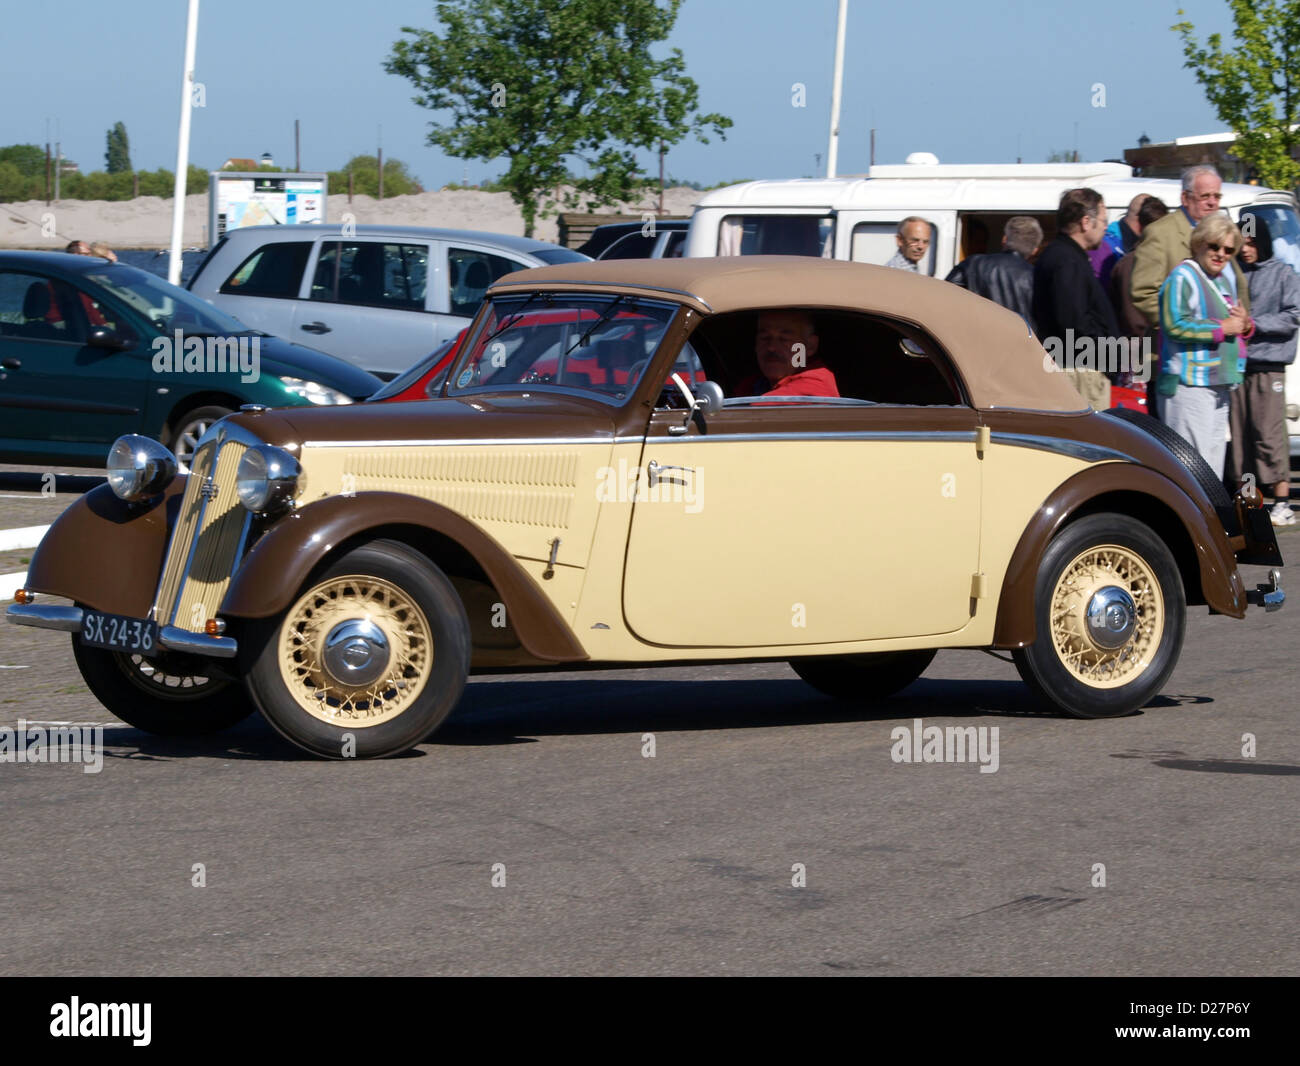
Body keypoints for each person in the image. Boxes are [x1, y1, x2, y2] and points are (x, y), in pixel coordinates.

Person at [1156, 214, 1253, 479]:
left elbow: (1233, 322)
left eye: (1228, 250)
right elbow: (1174, 325)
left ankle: (1208, 520)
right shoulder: (1182, 278)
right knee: (1191, 470)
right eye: (1214, 246)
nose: (1221, 254)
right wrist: (1223, 329)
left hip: (1217, 384)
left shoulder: (1220, 279)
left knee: (1210, 471)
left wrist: (1244, 325)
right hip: (1189, 386)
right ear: (1199, 243)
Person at [1228, 212, 1298, 526]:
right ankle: (1251, 505)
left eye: (1253, 242)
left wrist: (1253, 324)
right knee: (1242, 438)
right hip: (1239, 366)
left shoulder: (1283, 274)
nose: (1246, 249)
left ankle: (1282, 502)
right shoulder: (1234, 273)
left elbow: (1293, 316)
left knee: (1269, 435)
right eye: (1242, 242)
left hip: (1270, 368)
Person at [1131, 165, 1249, 329]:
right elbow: (1144, 293)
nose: (1212, 203)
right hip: (1185, 348)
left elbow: (1236, 287)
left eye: (1217, 196)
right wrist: (1185, 327)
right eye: (1205, 196)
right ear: (1185, 198)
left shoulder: (1224, 232)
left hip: (1227, 347)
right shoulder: (1160, 233)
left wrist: (1244, 323)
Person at [1032, 188, 1119, 408]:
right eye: (1103, 220)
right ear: (1086, 222)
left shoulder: (1068, 257)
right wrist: (1105, 353)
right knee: (1087, 441)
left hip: (1079, 367)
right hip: (1080, 373)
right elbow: (1073, 322)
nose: (1106, 227)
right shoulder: (1066, 260)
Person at [1109, 197, 1169, 385]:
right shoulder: (1133, 263)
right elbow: (1132, 315)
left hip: (1137, 349)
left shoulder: (1125, 262)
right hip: (1143, 350)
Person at [945, 216, 1042, 330]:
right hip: (1021, 343)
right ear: (1035, 250)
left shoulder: (973, 264)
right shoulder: (1038, 277)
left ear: (1004, 239)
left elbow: (945, 295)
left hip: (977, 339)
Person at [739, 310, 839, 397]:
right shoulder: (751, 385)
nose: (771, 348)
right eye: (765, 338)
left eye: (784, 339)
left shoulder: (817, 384)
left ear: (810, 346)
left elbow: (755, 414)